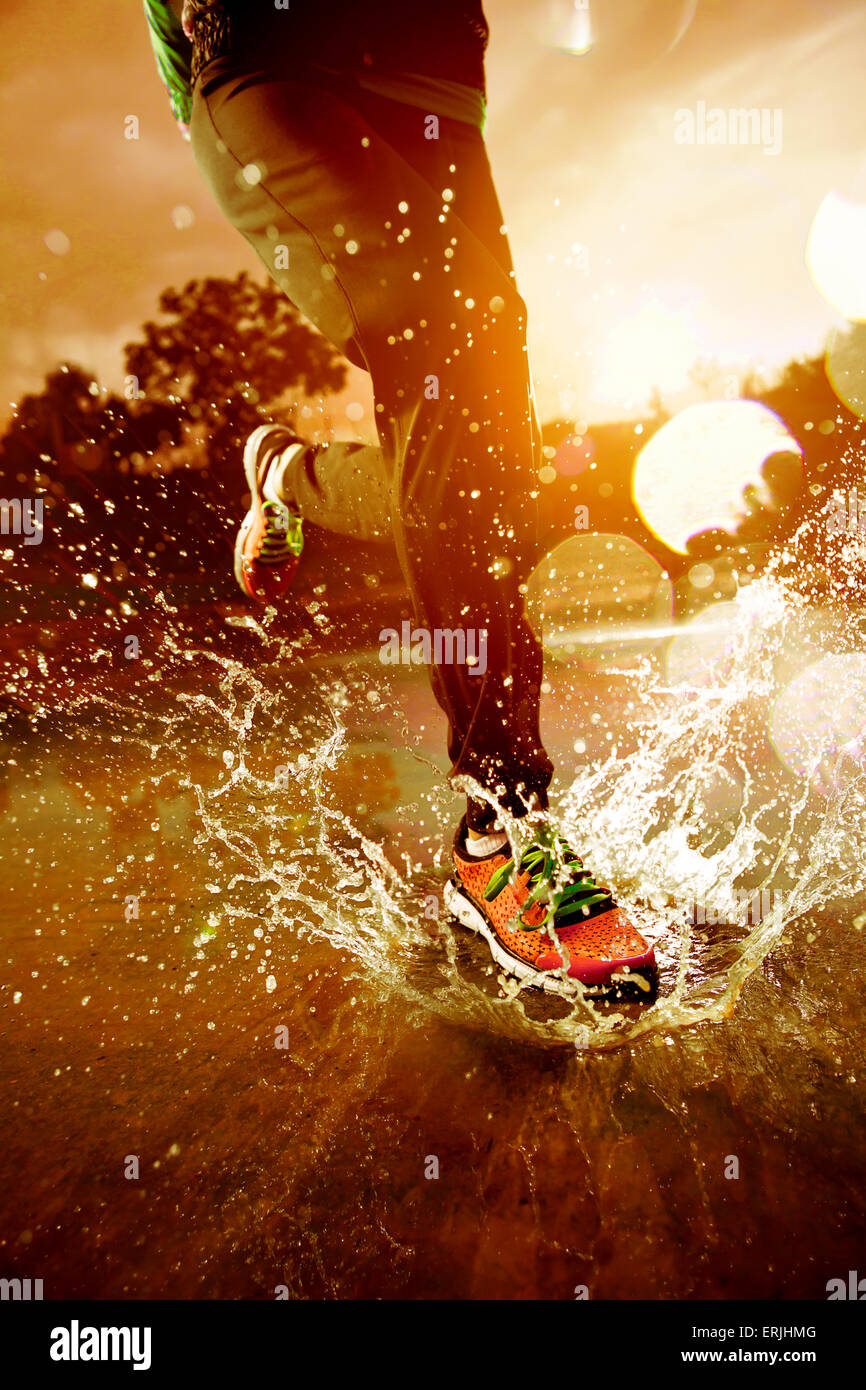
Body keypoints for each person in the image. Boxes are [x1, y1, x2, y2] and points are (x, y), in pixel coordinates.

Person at [143, 0, 657, 996]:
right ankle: (499, 824)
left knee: (488, 476)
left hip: (437, 81)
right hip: (278, 56)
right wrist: (199, 81)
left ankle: (286, 472)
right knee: (449, 341)